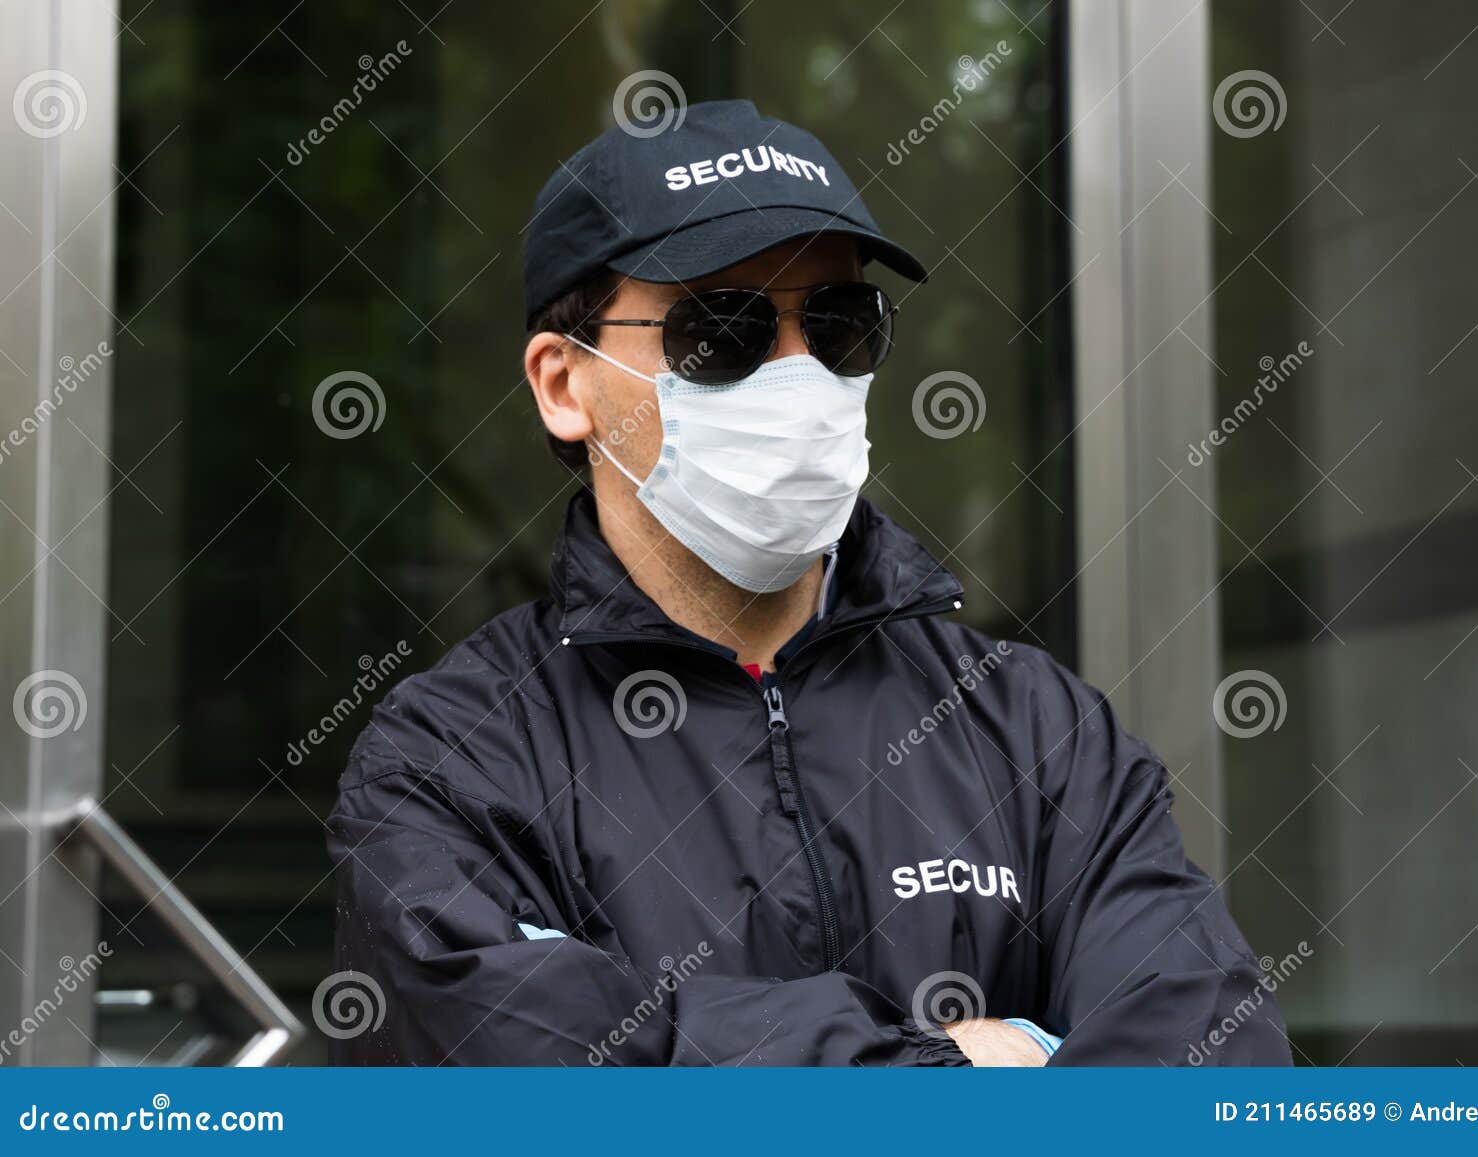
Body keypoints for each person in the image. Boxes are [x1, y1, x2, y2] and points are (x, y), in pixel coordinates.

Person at [325, 99, 1289, 1067]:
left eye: (838, 324)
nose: (800, 375)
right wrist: (973, 1065)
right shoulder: (452, 763)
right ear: (563, 384)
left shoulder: (1039, 732)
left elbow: (1208, 1056)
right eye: (723, 329)